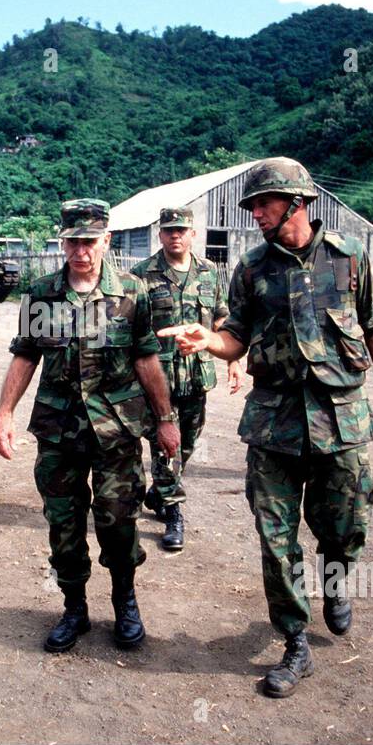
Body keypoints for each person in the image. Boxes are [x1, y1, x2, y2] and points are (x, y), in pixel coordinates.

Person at [160, 158, 373, 698]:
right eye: (251, 205)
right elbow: (234, 335)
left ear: (297, 202)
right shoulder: (252, 269)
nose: (254, 213)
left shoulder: (350, 259)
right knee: (275, 540)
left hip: (341, 420)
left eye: (263, 203)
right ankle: (294, 640)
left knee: (346, 527)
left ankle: (336, 582)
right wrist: (207, 341)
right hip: (274, 423)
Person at [0, 199, 180, 653]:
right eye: (73, 242)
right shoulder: (41, 294)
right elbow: (25, 354)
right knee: (64, 523)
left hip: (116, 430)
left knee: (118, 522)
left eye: (89, 242)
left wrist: (166, 420)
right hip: (59, 431)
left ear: (106, 241)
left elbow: (147, 359)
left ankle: (124, 601)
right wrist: (4, 412)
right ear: (63, 242)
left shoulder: (133, 292)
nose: (81, 251)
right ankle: (74, 608)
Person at [130, 206, 243, 551]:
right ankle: (173, 511)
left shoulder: (209, 272)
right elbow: (131, 330)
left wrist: (233, 361)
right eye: (169, 230)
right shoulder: (141, 275)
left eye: (181, 230)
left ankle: (158, 490)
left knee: (188, 443)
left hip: (196, 375)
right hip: (158, 380)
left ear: (193, 234)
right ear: (160, 235)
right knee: (167, 445)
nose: (175, 235)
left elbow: (221, 319)